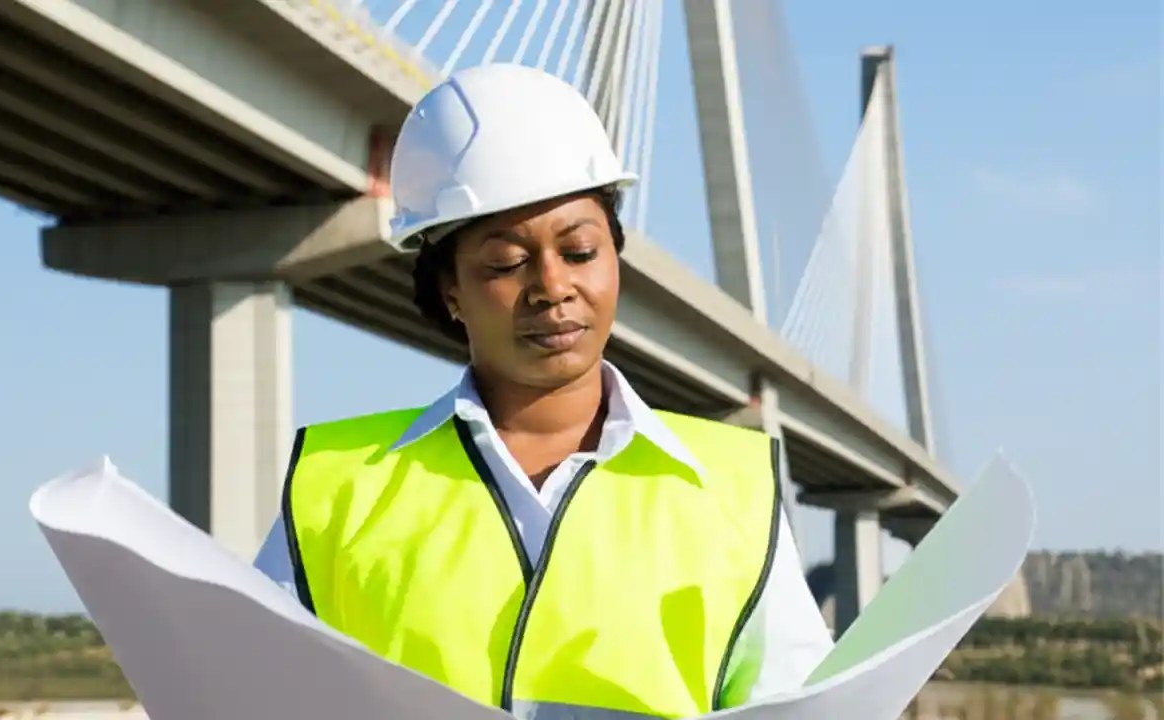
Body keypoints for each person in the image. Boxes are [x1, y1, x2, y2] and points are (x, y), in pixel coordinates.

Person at [253, 63, 832, 719]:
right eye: (504, 264)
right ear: (451, 291)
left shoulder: (734, 490)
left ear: (615, 259)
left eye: (580, 251)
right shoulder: (334, 491)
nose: (552, 287)